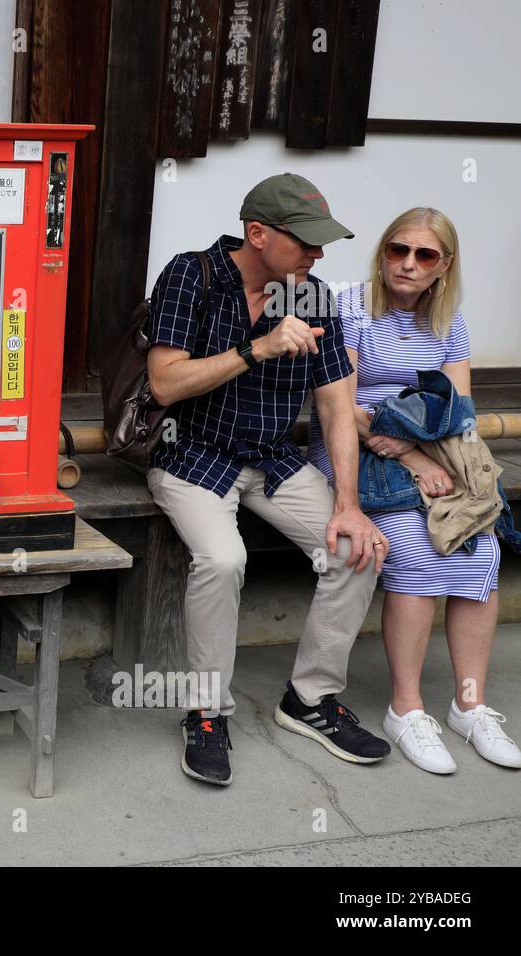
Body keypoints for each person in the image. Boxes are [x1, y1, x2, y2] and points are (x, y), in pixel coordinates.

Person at [147, 172, 392, 786]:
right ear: (258, 234)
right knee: (223, 559)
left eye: (321, 243)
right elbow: (164, 383)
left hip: (273, 460)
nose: (318, 254)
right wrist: (256, 349)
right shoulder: (192, 274)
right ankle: (206, 712)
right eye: (306, 241)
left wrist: (348, 503)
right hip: (192, 456)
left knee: (356, 549)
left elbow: (338, 406)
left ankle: (308, 698)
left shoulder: (312, 296)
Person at [306, 207, 521, 773]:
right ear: (382, 253)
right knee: (418, 546)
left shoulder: (451, 322)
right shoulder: (349, 306)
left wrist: (436, 459)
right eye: (397, 250)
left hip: (428, 453)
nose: (407, 264)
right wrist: (410, 450)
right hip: (356, 451)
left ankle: (469, 704)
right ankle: (406, 709)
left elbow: (459, 408)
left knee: (482, 549)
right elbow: (340, 405)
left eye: (424, 255)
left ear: (444, 266)